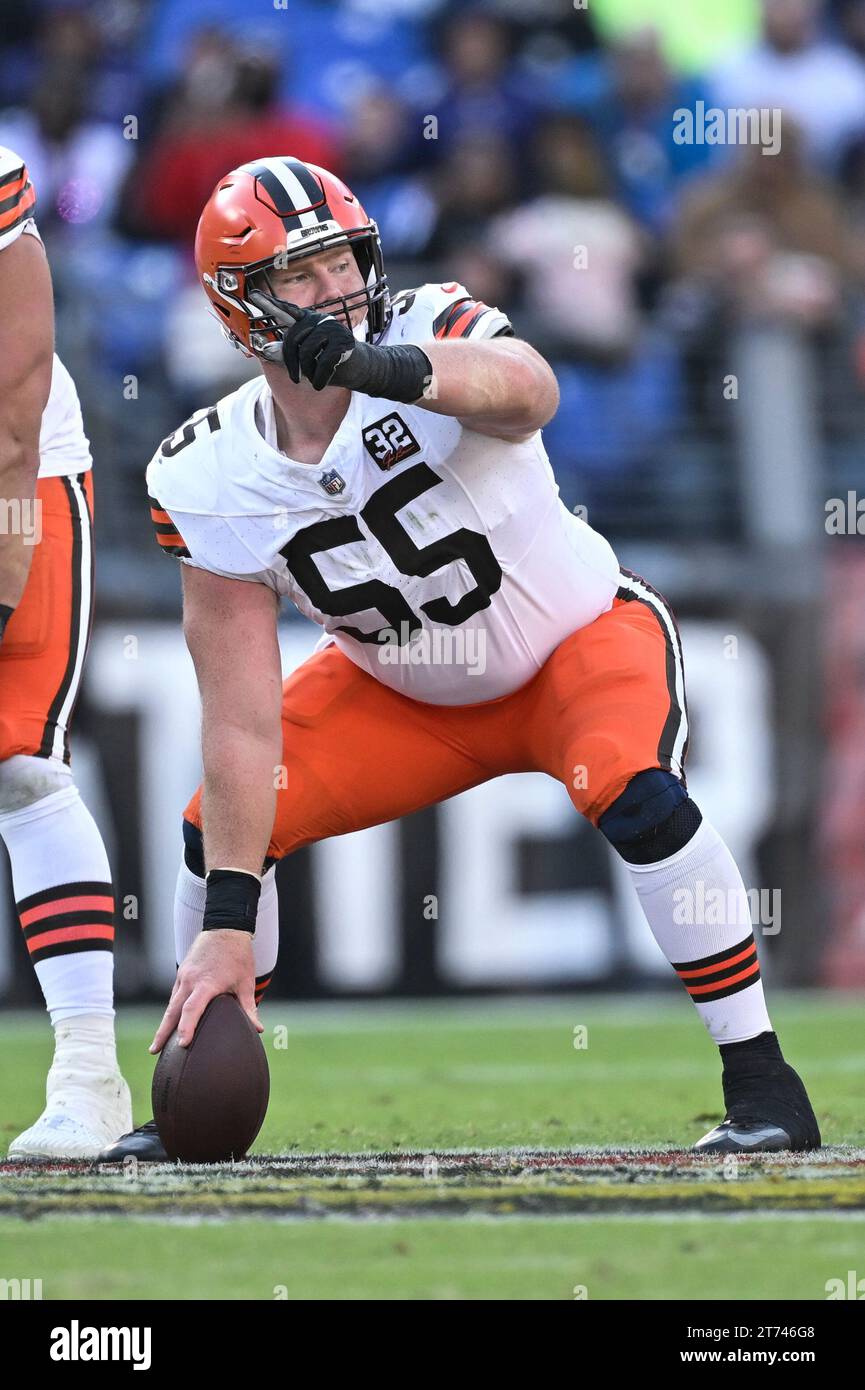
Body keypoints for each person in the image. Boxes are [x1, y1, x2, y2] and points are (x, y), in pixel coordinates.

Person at [102, 155, 819, 1161]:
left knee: (634, 787)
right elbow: (238, 715)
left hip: (572, 640)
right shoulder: (204, 471)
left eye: (345, 260)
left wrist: (382, 374)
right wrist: (228, 917)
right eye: (301, 275)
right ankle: (194, 1093)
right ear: (240, 306)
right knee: (215, 833)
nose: (336, 290)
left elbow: (530, 390)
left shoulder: (424, 327)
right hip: (400, 692)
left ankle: (763, 1083)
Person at [0, 145, 131, 1158]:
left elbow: (19, 379)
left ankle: (89, 1073)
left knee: (21, 770)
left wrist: (7, 554)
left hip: (17, 472)